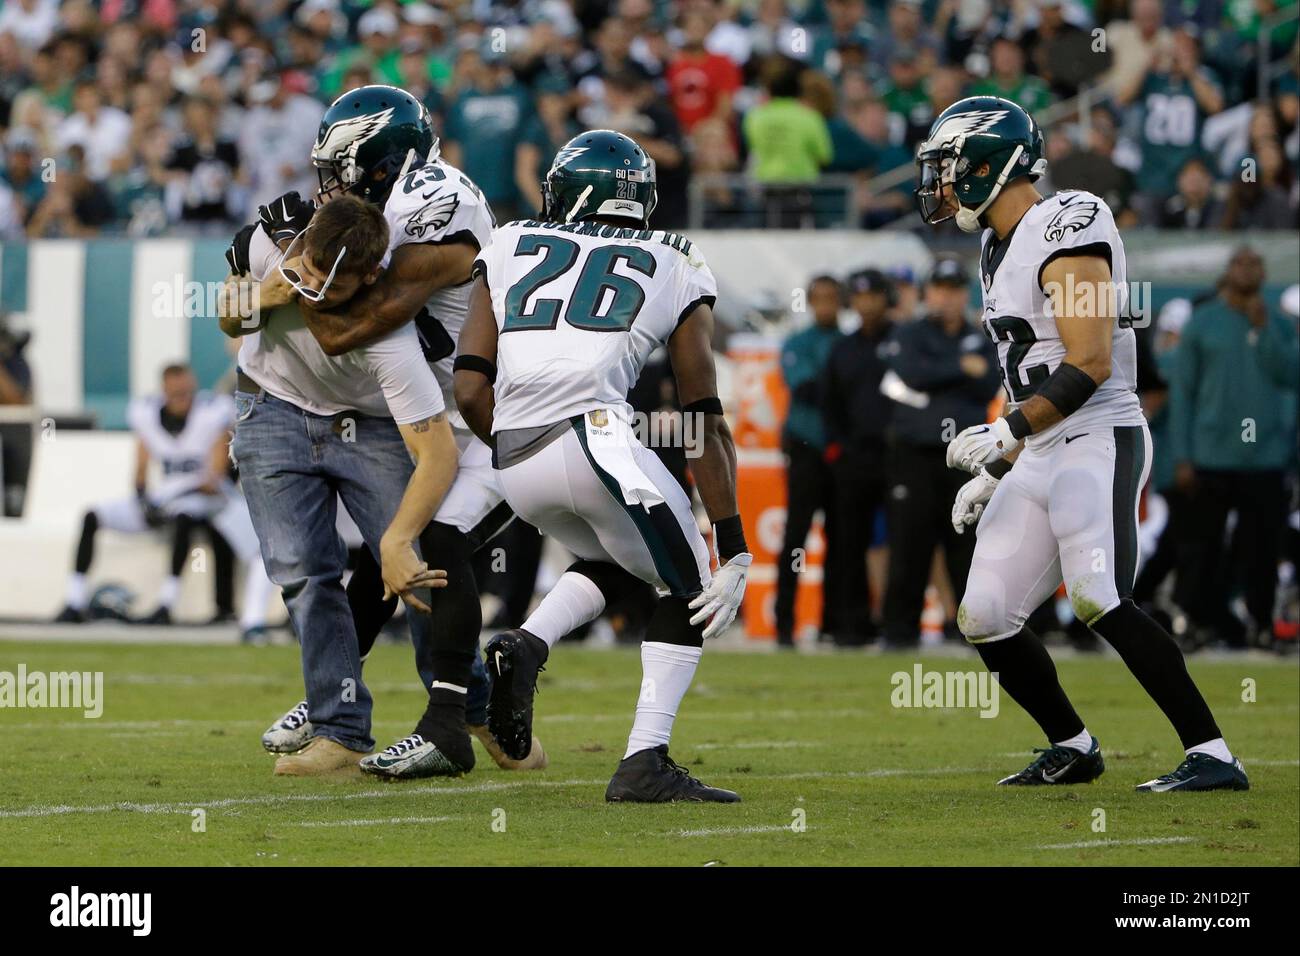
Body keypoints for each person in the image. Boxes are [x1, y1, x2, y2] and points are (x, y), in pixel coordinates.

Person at [918, 95, 1247, 792]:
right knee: (984, 613)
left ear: (987, 164)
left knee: (1100, 595)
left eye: (949, 167)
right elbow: (1033, 368)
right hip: (1041, 448)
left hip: (1100, 433)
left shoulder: (1070, 219)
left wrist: (1006, 430)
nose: (940, 184)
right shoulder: (994, 243)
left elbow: (1091, 359)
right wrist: (1004, 464)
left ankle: (1214, 752)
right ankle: (1072, 744)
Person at [244, 85, 544, 777]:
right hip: (433, 408)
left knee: (426, 547)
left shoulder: (431, 216)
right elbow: (242, 314)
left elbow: (349, 324)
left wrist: (296, 268)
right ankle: (357, 699)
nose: (329, 184)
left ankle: (455, 718)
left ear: (379, 162)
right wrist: (270, 274)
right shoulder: (366, 216)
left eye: (342, 168)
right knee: (399, 555)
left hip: (486, 417)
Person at [456, 129, 747, 803]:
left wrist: (507, 444)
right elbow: (700, 412)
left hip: (517, 457)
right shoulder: (673, 257)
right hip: (598, 443)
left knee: (624, 558)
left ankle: (527, 645)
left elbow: (469, 385)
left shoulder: (506, 243)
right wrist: (734, 546)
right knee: (695, 588)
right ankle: (645, 760)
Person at [54, 364, 273, 639]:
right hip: (166, 496)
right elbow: (142, 464)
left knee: (192, 518)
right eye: (174, 393)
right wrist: (143, 497)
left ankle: (167, 603)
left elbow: (215, 477)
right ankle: (74, 600)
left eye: (185, 393)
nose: (181, 399)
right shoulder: (146, 413)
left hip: (208, 499)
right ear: (164, 391)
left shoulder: (212, 412)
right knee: (92, 515)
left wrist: (174, 497)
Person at [1168, 246, 1299, 648]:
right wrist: (1182, 454)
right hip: (1211, 455)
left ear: (1263, 274)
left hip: (1265, 456)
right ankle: (1194, 621)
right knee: (1202, 546)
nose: (1247, 270)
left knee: (1262, 548)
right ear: (1228, 272)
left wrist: (1262, 331)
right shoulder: (1202, 323)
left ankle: (1261, 624)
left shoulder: (1278, 323)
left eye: (1255, 263)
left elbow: (1291, 375)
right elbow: (1184, 393)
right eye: (1240, 263)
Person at [880, 257, 1001, 648]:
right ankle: (899, 632)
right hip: (914, 455)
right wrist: (960, 368)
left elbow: (987, 386)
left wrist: (946, 373)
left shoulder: (981, 337)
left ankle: (970, 630)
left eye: (954, 290)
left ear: (964, 294)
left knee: (965, 544)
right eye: (939, 289)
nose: (946, 298)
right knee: (909, 544)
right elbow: (910, 372)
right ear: (928, 292)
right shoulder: (909, 333)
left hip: (966, 459)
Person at [821, 268, 895, 645]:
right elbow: (830, 403)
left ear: (886, 298)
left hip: (896, 454)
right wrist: (836, 449)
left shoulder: (903, 340)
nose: (866, 303)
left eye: (873, 295)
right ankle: (851, 624)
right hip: (853, 457)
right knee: (848, 542)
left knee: (902, 541)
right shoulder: (844, 347)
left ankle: (898, 624)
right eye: (860, 296)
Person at [774, 275, 843, 646]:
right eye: (820, 298)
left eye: (832, 298)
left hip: (839, 450)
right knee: (796, 534)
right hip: (805, 446)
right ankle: (784, 622)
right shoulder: (798, 343)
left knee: (841, 536)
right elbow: (806, 387)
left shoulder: (846, 343)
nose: (826, 305)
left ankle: (833, 621)